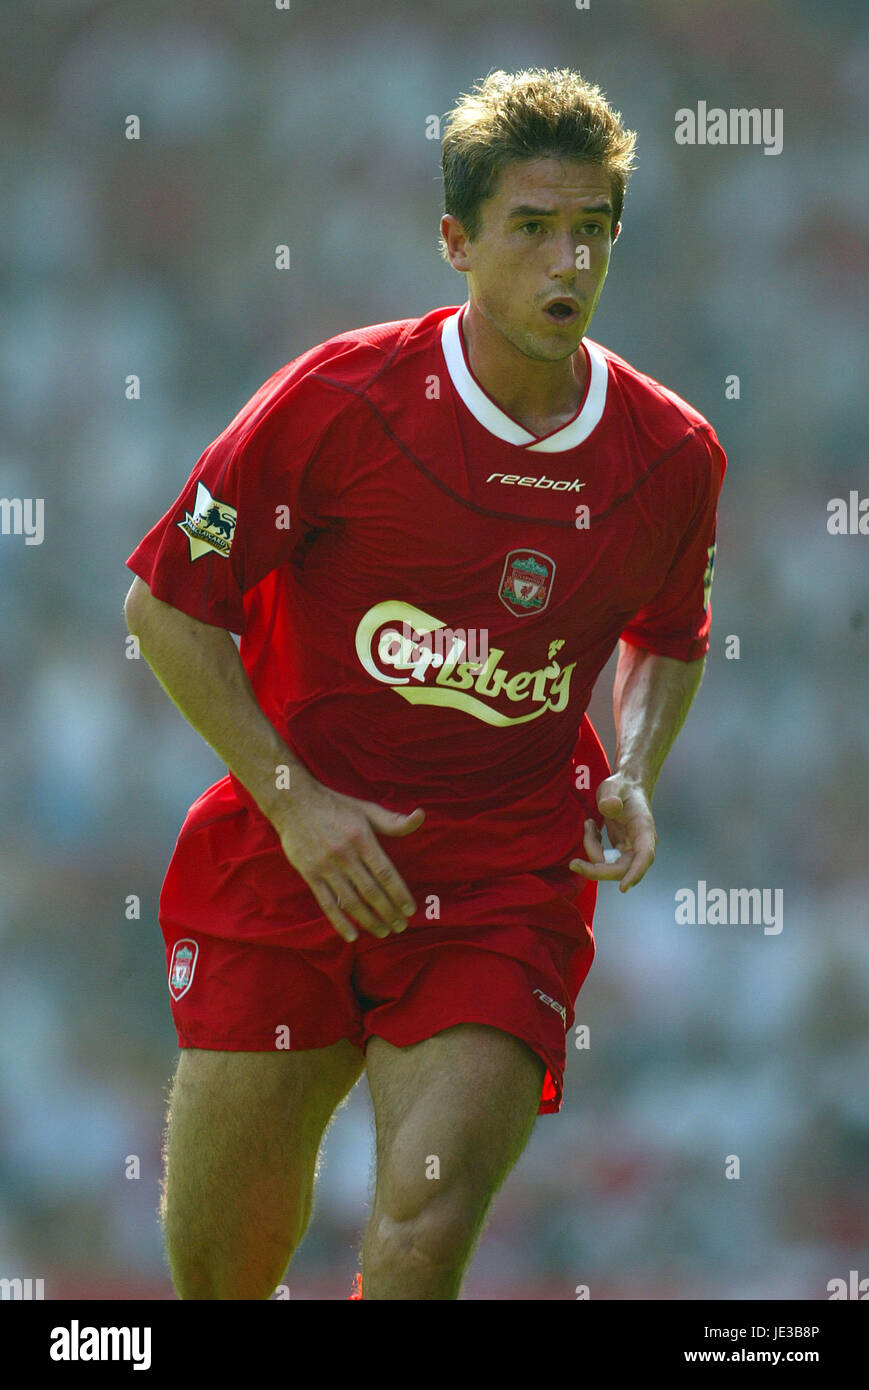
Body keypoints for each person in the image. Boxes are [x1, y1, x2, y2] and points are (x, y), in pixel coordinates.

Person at [124, 67, 726, 1301]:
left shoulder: (667, 456)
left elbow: (671, 628)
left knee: (422, 1220)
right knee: (222, 1265)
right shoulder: (337, 403)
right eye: (532, 227)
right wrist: (295, 802)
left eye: (593, 231)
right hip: (294, 847)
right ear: (454, 241)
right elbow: (166, 611)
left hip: (505, 870)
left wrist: (629, 770)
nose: (570, 260)